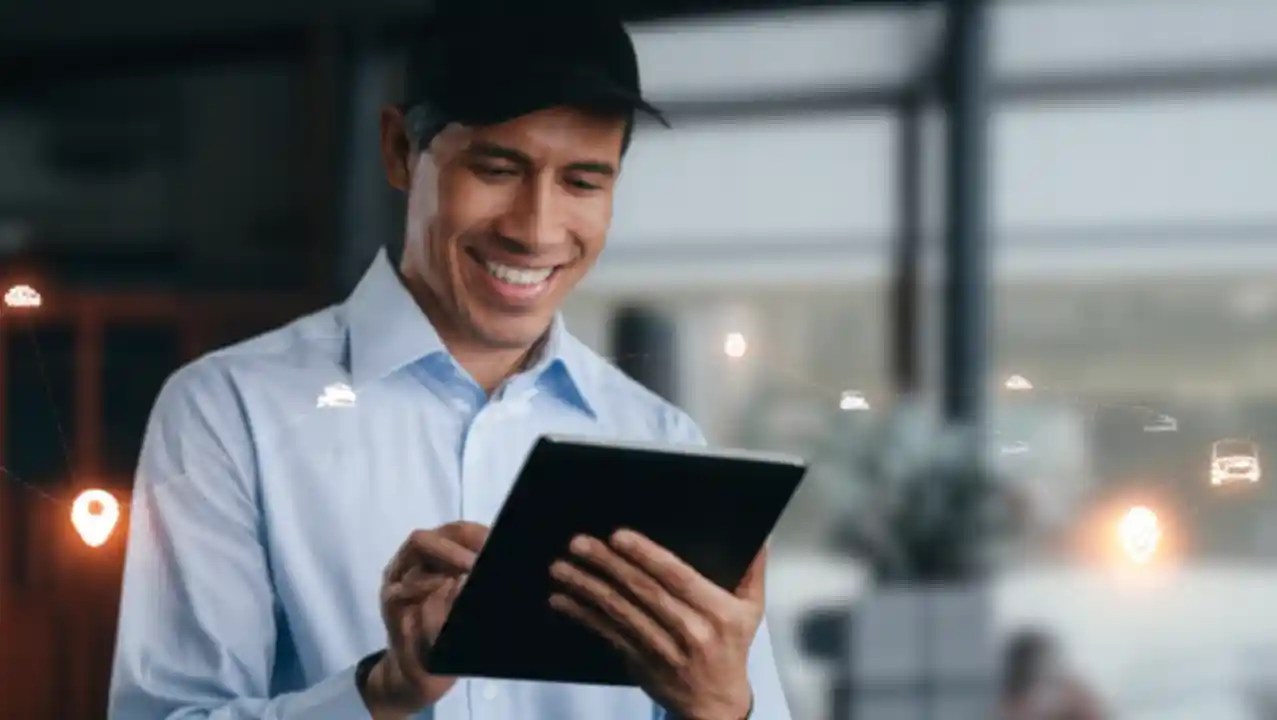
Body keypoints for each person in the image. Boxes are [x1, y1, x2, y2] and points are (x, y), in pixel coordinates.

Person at [108, 6, 791, 720]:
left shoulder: (660, 439)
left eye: (583, 183)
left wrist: (724, 706)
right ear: (401, 149)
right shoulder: (229, 412)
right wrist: (382, 694)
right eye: (497, 168)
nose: (536, 229)